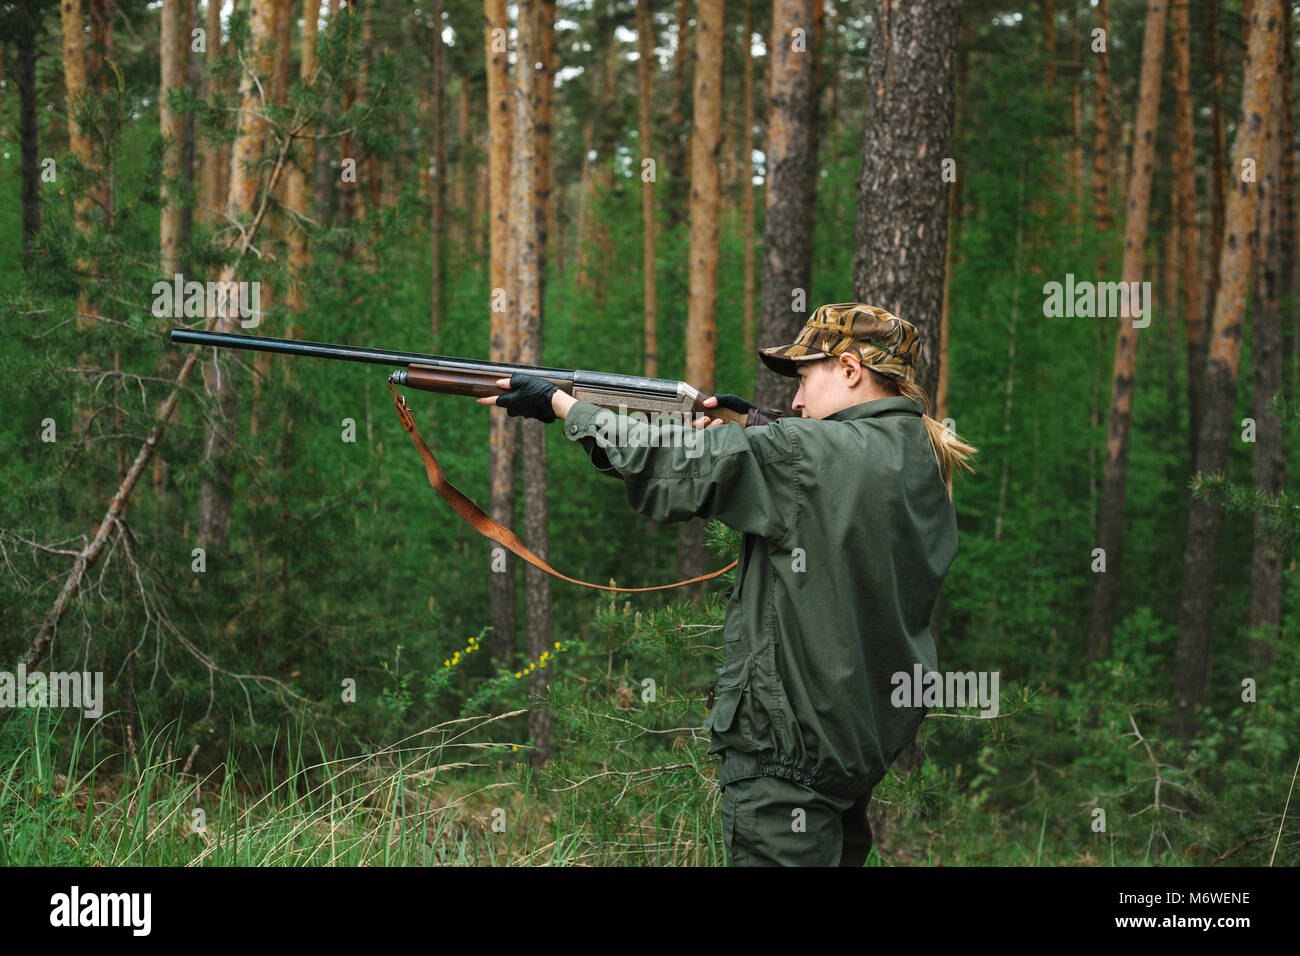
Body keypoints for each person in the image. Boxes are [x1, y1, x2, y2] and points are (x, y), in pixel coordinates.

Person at [477, 302, 977, 866]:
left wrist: (563, 406)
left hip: (786, 763)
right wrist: (758, 427)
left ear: (850, 369)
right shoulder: (921, 459)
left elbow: (670, 462)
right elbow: (828, 486)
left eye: (806, 377)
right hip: (852, 761)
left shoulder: (805, 454)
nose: (795, 401)